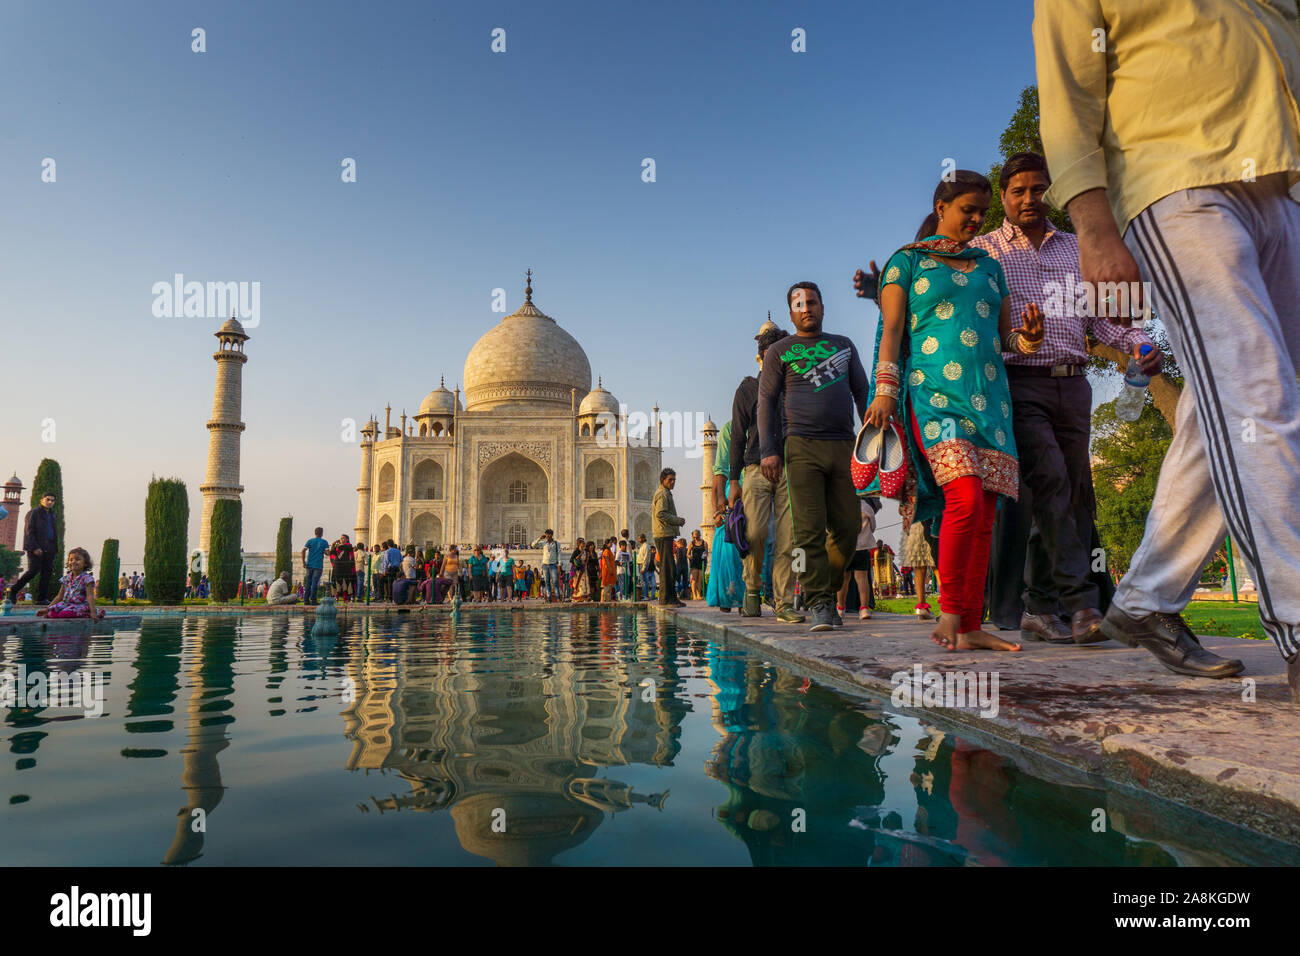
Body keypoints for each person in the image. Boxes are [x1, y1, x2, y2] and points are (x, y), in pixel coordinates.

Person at [1035, 0, 1300, 688]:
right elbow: (1069, 94)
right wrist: (1093, 226)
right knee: (1257, 390)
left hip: (1278, 181)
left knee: (1236, 404)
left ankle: (1148, 598)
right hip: (1174, 183)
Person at [967, 151, 1154, 643]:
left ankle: (1038, 607)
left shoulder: (1077, 248)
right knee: (1050, 481)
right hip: (1017, 383)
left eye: (1038, 189)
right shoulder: (984, 253)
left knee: (1071, 493)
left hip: (1074, 385)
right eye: (1018, 191)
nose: (1030, 199)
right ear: (1003, 196)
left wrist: (1139, 343)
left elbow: (1103, 320)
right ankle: (1083, 606)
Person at [867, 170, 1044, 651]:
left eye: (981, 212)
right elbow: (893, 329)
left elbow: (1008, 339)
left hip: (991, 405)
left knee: (985, 513)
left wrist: (1029, 337)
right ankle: (949, 613)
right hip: (934, 397)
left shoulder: (990, 267)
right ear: (940, 206)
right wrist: (885, 390)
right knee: (963, 499)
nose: (975, 220)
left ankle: (969, 625)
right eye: (967, 209)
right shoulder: (906, 262)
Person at [758, 282, 871, 632]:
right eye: (798, 304)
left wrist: (874, 437)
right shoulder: (780, 351)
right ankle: (820, 601)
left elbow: (862, 392)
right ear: (791, 313)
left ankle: (828, 585)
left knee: (849, 527)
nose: (806, 308)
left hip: (844, 445)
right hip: (800, 447)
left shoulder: (844, 346)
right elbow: (767, 401)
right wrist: (769, 450)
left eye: (812, 302)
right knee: (807, 532)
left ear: (823, 307)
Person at [730, 321, 803, 621]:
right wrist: (733, 479)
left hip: (789, 468)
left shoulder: (794, 388)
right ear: (762, 356)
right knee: (757, 532)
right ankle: (752, 587)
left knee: (787, 538)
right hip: (756, 467)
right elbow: (737, 436)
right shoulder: (747, 388)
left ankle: (784, 602)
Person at [706, 419, 746, 612]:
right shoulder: (729, 431)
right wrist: (715, 512)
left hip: (745, 502)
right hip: (728, 509)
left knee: (741, 556)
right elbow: (715, 487)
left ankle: (742, 599)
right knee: (726, 557)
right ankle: (726, 598)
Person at [7, 492, 58, 605]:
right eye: (48, 499)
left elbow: (53, 532)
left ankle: (41, 598)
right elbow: (29, 531)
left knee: (47, 573)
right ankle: (14, 590)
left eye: (52, 500)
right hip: (36, 548)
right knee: (33, 571)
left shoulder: (53, 515)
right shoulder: (34, 513)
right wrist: (35, 547)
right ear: (42, 500)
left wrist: (54, 548)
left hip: (49, 548)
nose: (50, 502)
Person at [837, 499, 879, 621]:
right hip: (862, 547)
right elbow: (873, 526)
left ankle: (840, 607)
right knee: (862, 579)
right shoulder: (866, 507)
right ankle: (864, 608)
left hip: (845, 548)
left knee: (844, 580)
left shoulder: (840, 505)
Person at [37, 548, 104, 619]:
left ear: (85, 563)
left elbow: (90, 596)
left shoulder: (87, 579)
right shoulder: (66, 579)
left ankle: (93, 612)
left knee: (64, 615)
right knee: (52, 614)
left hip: (80, 605)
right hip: (66, 604)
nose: (73, 562)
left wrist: (92, 612)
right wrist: (47, 609)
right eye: (71, 560)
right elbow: (59, 596)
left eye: (77, 559)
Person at [652, 469, 687, 607]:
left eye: (674, 480)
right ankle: (667, 599)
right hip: (663, 534)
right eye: (669, 480)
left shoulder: (665, 493)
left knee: (669, 567)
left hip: (665, 533)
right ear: (663, 480)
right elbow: (660, 514)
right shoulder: (662, 494)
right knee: (668, 568)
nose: (672, 482)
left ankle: (669, 598)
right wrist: (678, 521)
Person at [300, 527, 329, 606]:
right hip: (318, 565)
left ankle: (306, 600)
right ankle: (313, 601)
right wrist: (330, 548)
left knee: (308, 583)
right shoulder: (324, 542)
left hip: (309, 564)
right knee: (315, 583)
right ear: (322, 533)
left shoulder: (310, 541)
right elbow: (327, 553)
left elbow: (303, 551)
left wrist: (303, 562)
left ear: (315, 533)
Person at [531, 529, 562, 602]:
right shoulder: (543, 543)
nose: (547, 536)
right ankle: (549, 598)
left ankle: (558, 598)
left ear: (551, 535)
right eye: (546, 534)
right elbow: (533, 545)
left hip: (553, 564)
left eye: (548, 534)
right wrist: (539, 538)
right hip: (545, 565)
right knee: (547, 582)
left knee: (555, 582)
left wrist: (559, 564)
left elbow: (559, 554)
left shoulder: (557, 544)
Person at [329, 534, 357, 603]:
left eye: (343, 538)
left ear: (347, 539)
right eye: (341, 538)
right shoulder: (337, 547)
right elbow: (331, 553)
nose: (342, 540)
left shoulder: (348, 546)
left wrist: (337, 545)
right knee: (337, 583)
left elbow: (345, 549)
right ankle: (336, 598)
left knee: (346, 583)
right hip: (337, 568)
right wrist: (333, 544)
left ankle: (345, 598)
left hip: (346, 568)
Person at [688, 530, 707, 600]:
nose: (695, 538)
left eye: (696, 537)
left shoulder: (704, 543)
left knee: (700, 579)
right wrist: (689, 556)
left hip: (702, 562)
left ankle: (699, 594)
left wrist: (705, 556)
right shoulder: (691, 543)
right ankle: (694, 595)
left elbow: (706, 553)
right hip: (694, 562)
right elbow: (688, 553)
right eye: (694, 537)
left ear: (699, 535)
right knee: (694, 578)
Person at [636, 534, 655, 600]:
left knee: (644, 581)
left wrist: (643, 567)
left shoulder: (646, 546)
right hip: (640, 564)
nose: (639, 540)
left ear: (643, 538)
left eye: (639, 538)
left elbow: (646, 558)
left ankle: (645, 596)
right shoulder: (642, 546)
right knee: (643, 581)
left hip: (643, 564)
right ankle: (645, 595)